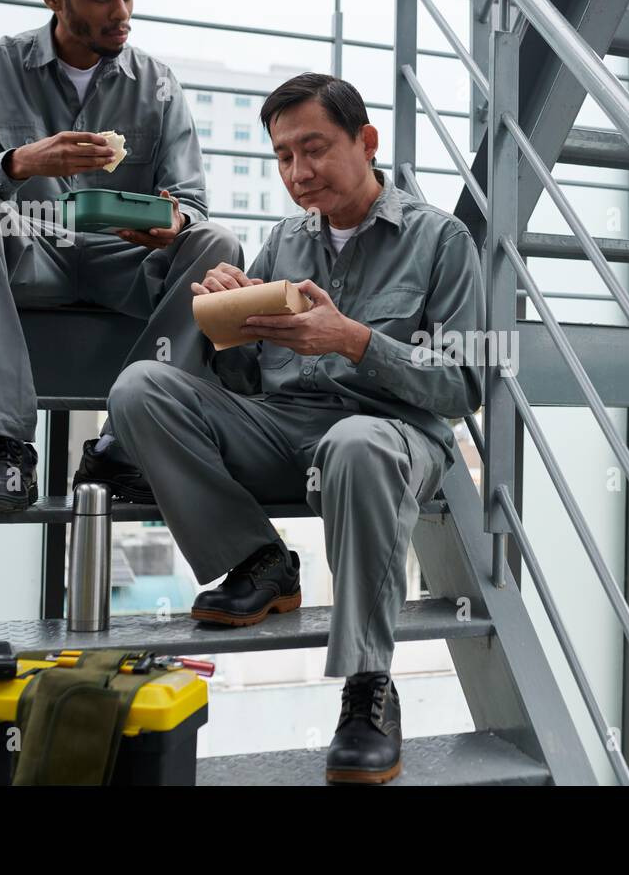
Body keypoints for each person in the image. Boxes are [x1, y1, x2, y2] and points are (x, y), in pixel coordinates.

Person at [107, 73, 485, 783]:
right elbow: (246, 382)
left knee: (357, 442)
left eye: (314, 148)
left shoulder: (442, 241)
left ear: (365, 142)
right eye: (283, 157)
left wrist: (356, 341)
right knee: (140, 389)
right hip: (280, 429)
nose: (298, 172)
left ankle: (369, 685)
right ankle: (260, 560)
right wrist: (227, 322)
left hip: (389, 434)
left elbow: (463, 387)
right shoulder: (281, 242)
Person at [0, 0, 241, 511]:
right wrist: (22, 161)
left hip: (123, 258)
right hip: (26, 252)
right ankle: (4, 447)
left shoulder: (158, 86)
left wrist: (171, 223)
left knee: (217, 242)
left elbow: (192, 201)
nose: (121, 11)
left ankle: (122, 446)